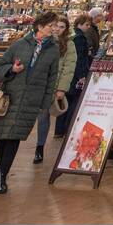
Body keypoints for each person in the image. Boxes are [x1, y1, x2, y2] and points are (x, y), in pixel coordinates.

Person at [0, 12, 62, 193]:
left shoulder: (53, 50)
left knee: (14, 137)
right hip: (10, 96)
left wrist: (46, 101)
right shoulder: (20, 44)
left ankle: (2, 175)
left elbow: (52, 77)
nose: (54, 29)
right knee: (1, 136)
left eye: (55, 26)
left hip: (32, 98)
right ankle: (1, 165)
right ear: (40, 26)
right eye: (51, 26)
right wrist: (12, 70)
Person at [33, 16, 76, 164]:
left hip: (53, 86)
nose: (57, 29)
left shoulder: (69, 45)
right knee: (36, 116)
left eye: (61, 27)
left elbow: (69, 68)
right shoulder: (42, 41)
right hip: (37, 84)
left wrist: (62, 88)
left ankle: (39, 147)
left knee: (43, 117)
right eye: (55, 26)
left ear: (66, 29)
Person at [54, 15, 93, 138]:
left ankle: (59, 130)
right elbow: (80, 59)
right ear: (79, 24)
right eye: (86, 24)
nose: (88, 27)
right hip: (75, 76)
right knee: (73, 102)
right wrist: (82, 75)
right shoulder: (80, 39)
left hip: (68, 75)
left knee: (63, 102)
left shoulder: (71, 38)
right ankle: (67, 129)